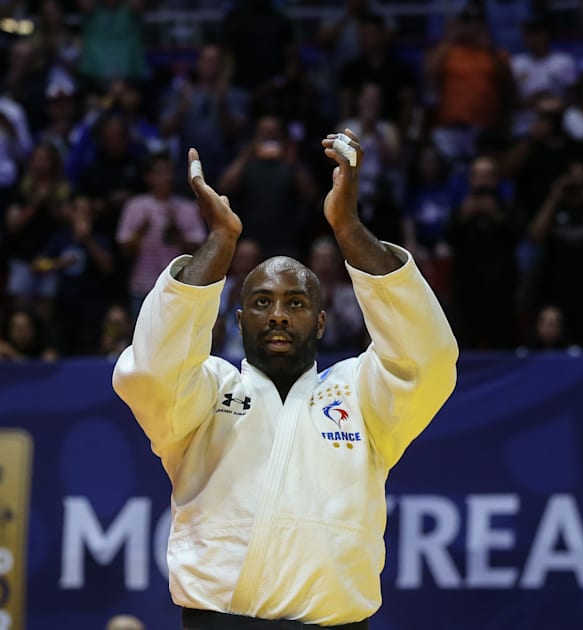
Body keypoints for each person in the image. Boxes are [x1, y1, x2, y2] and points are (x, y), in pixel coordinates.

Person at [112, 130, 458, 627]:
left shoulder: (359, 395)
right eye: (262, 302)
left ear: (320, 322)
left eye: (295, 303)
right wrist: (220, 242)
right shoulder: (208, 391)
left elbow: (427, 360)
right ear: (238, 321)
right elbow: (151, 370)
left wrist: (348, 228)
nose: (277, 314)